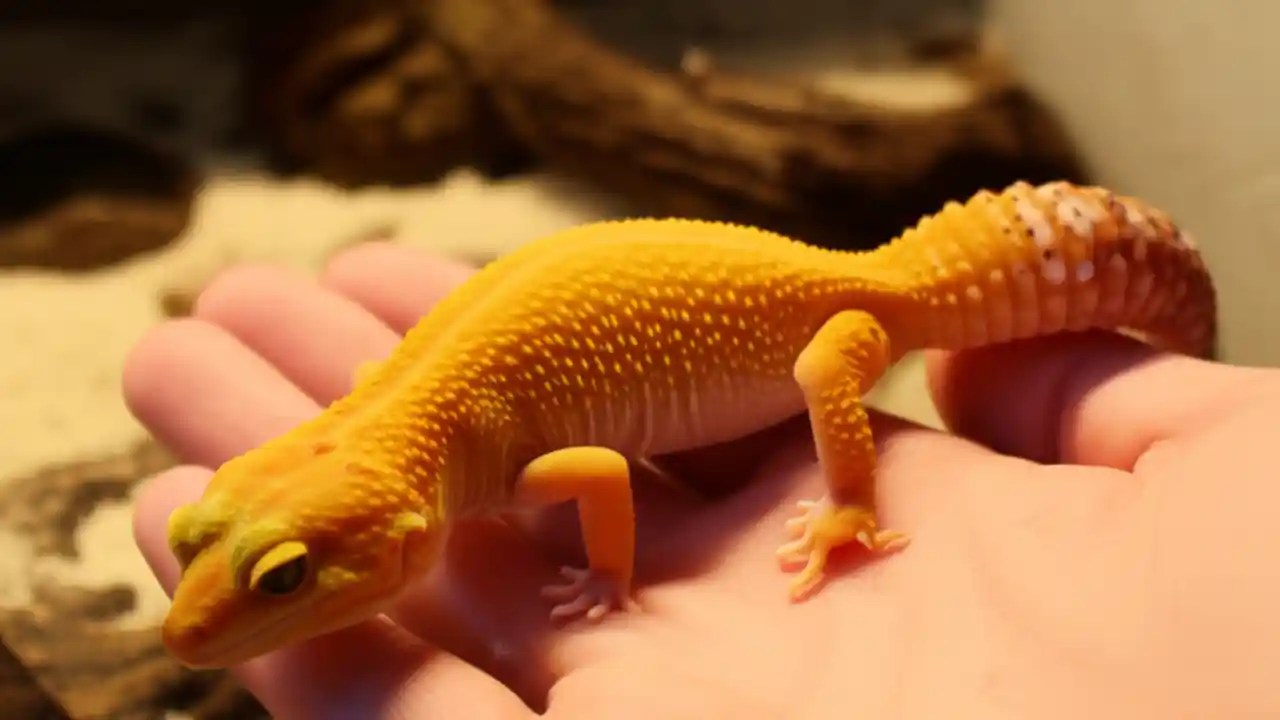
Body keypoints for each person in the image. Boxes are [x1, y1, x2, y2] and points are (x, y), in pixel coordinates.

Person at [125, 241, 1280, 719]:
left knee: (827, 367)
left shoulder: (461, 462)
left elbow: (596, 475)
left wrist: (611, 575)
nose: (202, 615)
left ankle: (854, 500)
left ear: (396, 530)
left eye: (284, 577)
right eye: (213, 547)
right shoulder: (402, 428)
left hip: (840, 311)